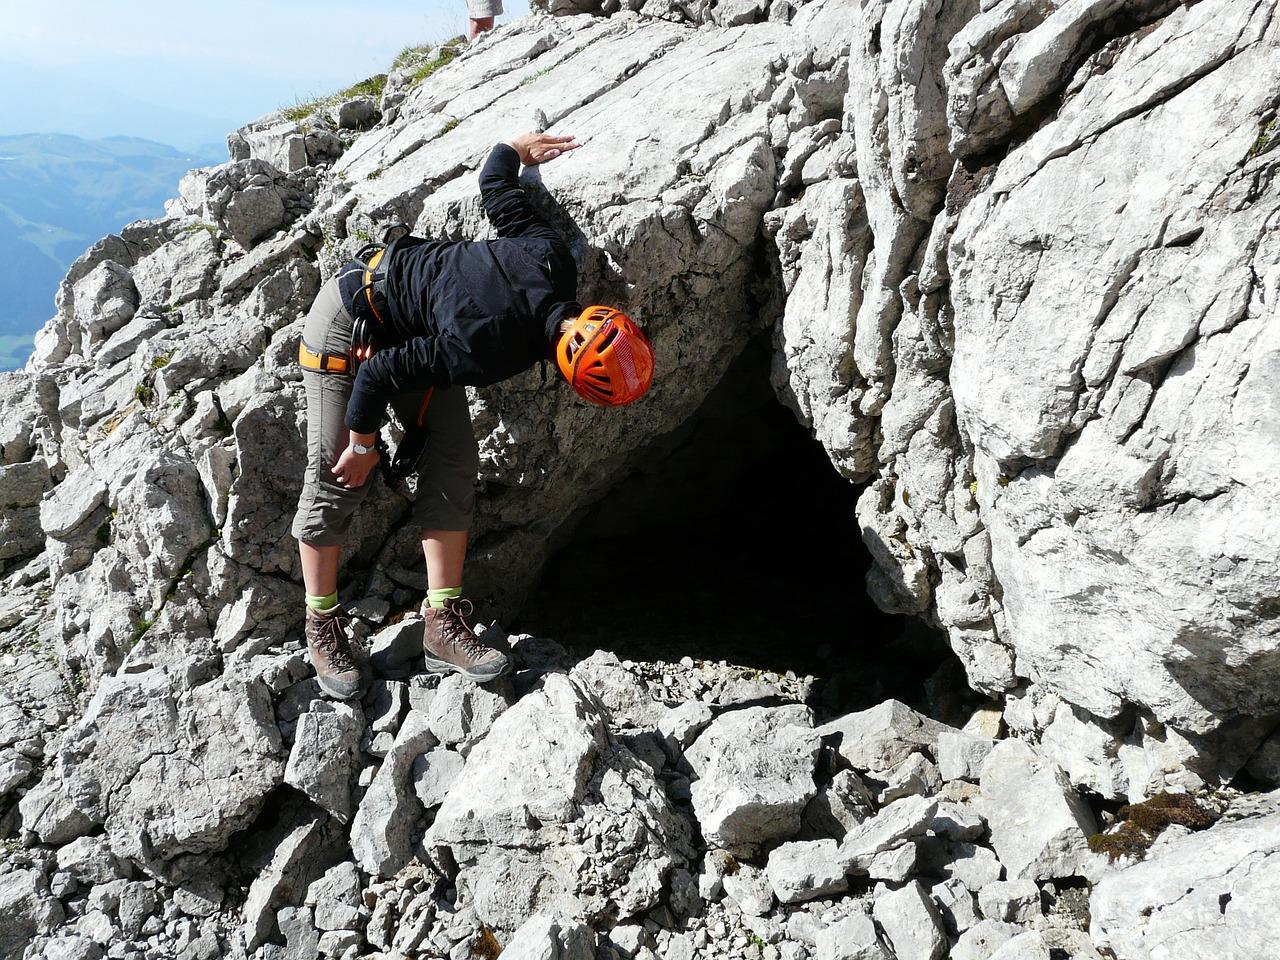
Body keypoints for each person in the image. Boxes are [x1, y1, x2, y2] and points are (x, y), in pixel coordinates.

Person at [292, 131, 655, 700]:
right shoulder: (484, 346)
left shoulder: (552, 259)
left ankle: (441, 624)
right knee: (335, 472)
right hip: (347, 320)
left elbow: (496, 188)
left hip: (412, 330)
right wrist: (364, 446)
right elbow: (378, 373)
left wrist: (514, 149)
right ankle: (321, 625)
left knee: (454, 463)